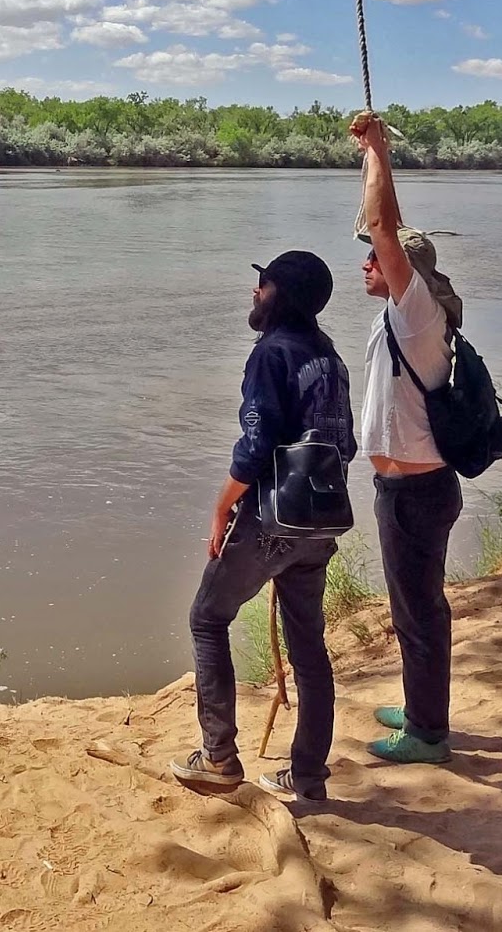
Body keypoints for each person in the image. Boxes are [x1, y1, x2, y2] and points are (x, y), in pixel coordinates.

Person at [171, 250, 356, 804]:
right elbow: (345, 443)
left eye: (264, 284)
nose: (255, 292)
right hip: (323, 518)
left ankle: (220, 758)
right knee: (309, 648)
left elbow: (255, 448)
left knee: (208, 618)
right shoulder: (330, 355)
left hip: (272, 517)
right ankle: (307, 777)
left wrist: (223, 506)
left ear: (282, 296)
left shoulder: (271, 355)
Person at [350, 112, 466, 764]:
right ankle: (426, 710)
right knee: (417, 607)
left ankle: (427, 733)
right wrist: (375, 157)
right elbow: (388, 230)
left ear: (405, 276)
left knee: (418, 613)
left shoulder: (416, 313)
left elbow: (385, 228)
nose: (369, 261)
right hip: (411, 487)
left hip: (415, 492)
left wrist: (378, 154)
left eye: (377, 259)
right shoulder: (409, 315)